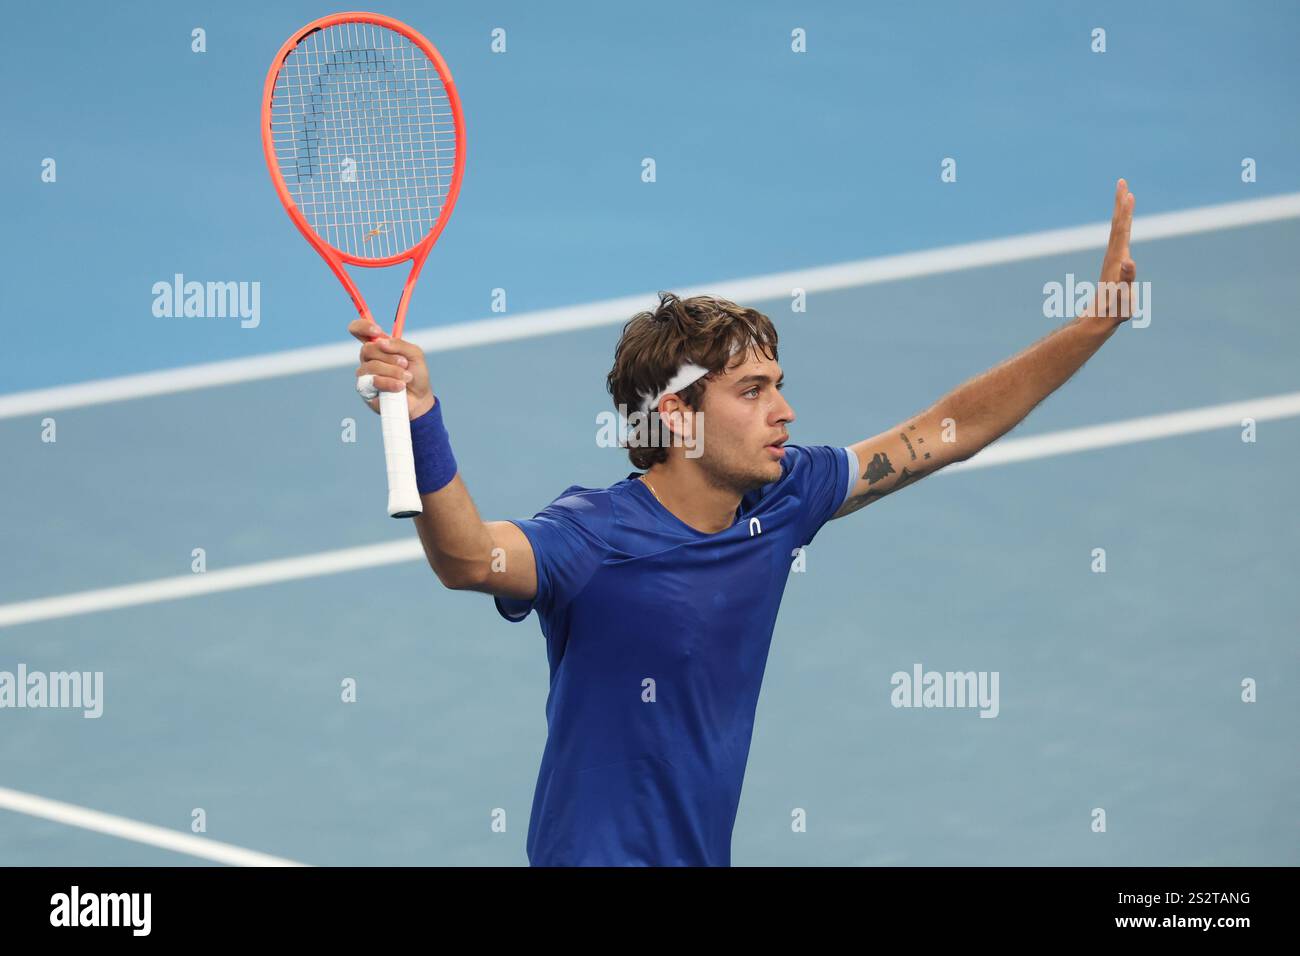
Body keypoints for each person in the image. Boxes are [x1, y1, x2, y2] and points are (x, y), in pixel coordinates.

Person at [349, 180, 1139, 866]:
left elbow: (946, 432)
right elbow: (465, 556)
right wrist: (420, 414)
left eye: (778, 385)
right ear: (678, 417)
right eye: (752, 391)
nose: (785, 411)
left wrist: (1091, 328)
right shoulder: (592, 539)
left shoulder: (786, 499)